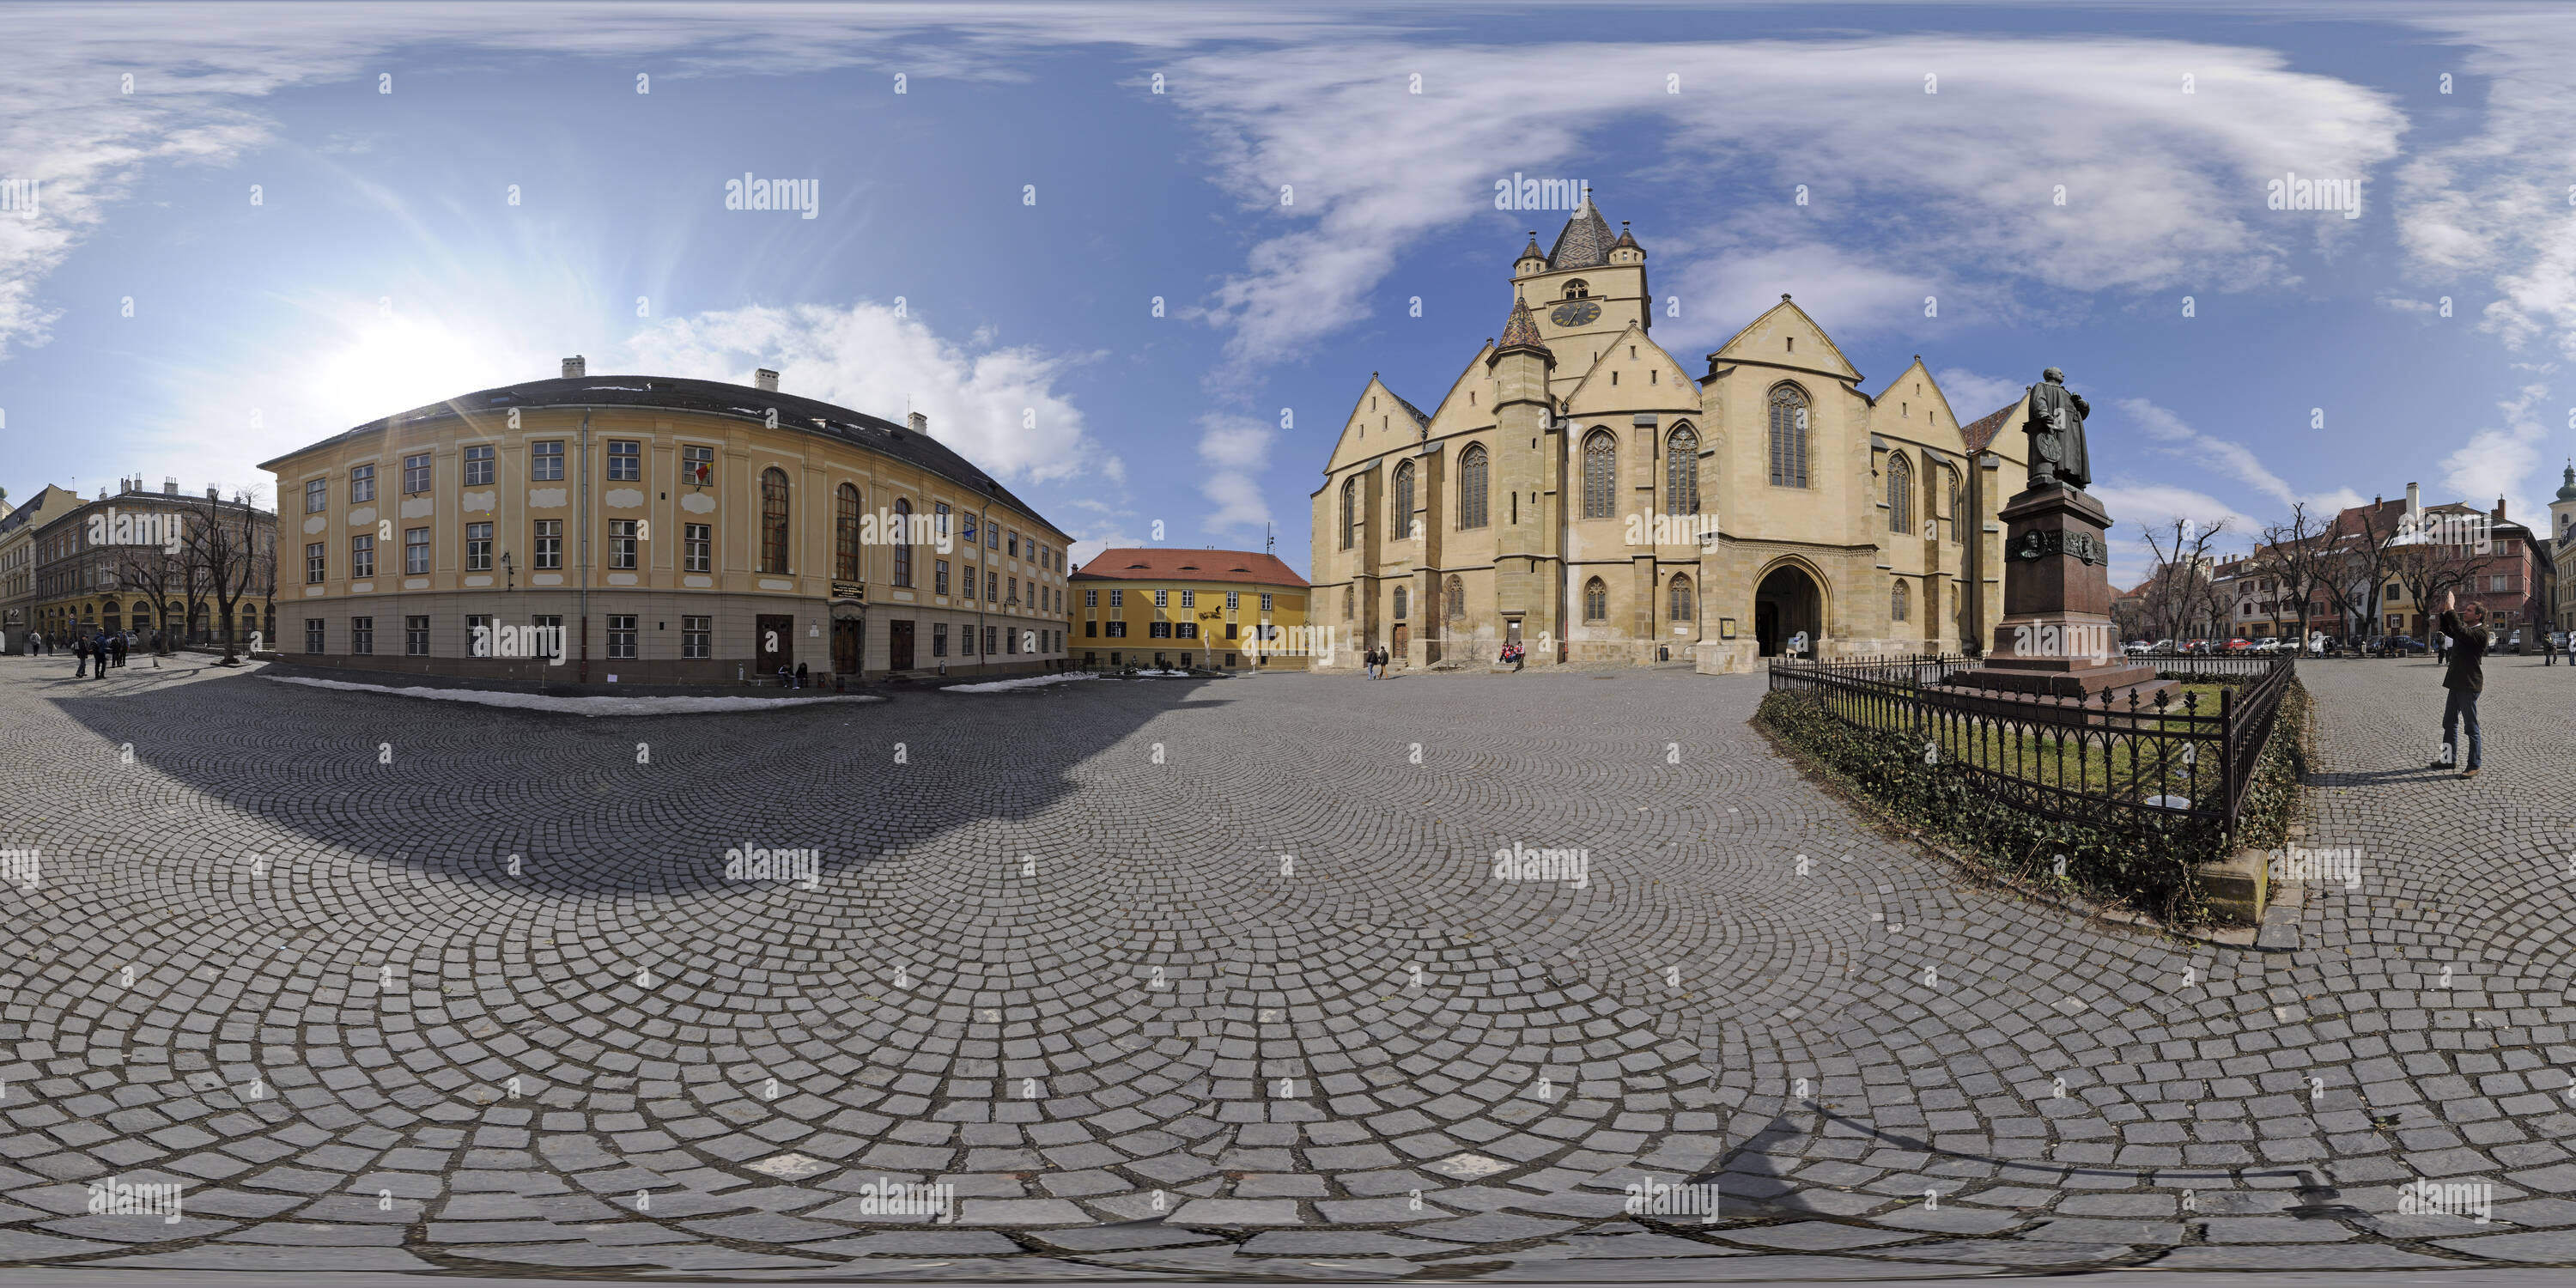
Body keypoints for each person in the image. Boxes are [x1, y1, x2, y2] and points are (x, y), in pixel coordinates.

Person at [2427, 590, 2488, 779]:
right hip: (2456, 683)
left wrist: (2452, 609)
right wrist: (2445, 612)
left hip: (2469, 686)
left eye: (2469, 610)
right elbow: (2450, 630)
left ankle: (2474, 765)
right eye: (2465, 610)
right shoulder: (2466, 631)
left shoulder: (2481, 633)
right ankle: (2447, 759)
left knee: (2471, 727)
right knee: (2449, 722)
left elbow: (2460, 631)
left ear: (2478, 615)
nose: (2465, 612)